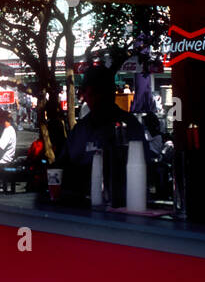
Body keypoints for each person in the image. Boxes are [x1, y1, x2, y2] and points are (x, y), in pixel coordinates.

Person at [61, 64, 146, 208]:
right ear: (85, 94)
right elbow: (62, 165)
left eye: (104, 92)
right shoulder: (80, 129)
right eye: (94, 93)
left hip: (122, 206)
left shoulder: (129, 126)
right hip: (81, 206)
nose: (99, 98)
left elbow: (142, 170)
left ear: (112, 93)